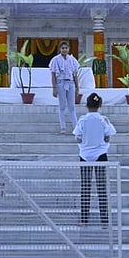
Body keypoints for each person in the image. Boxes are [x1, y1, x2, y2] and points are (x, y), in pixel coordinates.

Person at [74, 93, 116, 226]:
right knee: (102, 187)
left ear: (87, 105)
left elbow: (77, 137)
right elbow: (108, 136)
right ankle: (104, 220)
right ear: (100, 105)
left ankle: (84, 219)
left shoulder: (82, 120)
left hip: (85, 155)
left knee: (85, 187)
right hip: (101, 155)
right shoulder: (103, 120)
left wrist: (85, 144)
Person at [49, 41, 81, 134]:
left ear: (68, 49)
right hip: (60, 83)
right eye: (63, 48)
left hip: (71, 83)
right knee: (62, 106)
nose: (64, 50)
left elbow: (75, 75)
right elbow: (53, 74)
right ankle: (63, 127)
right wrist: (54, 88)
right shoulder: (55, 59)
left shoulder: (72, 59)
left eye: (66, 48)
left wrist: (77, 87)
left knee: (72, 106)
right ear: (60, 49)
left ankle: (76, 127)